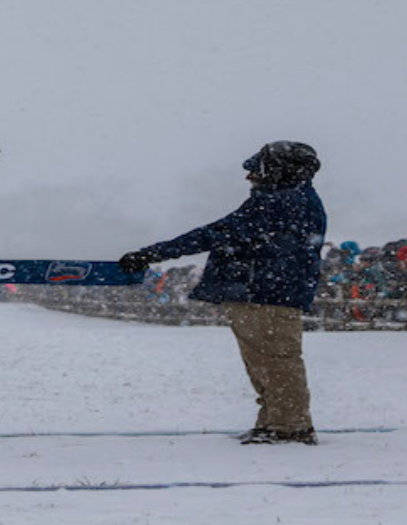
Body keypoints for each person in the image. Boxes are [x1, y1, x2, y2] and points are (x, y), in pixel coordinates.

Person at [119, 141, 326, 445]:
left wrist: (152, 253)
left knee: (276, 360)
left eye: (257, 170)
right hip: (261, 292)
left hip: (267, 293)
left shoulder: (280, 203)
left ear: (278, 171)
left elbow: (216, 233)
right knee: (263, 361)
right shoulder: (284, 200)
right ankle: (274, 420)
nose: (250, 177)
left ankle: (290, 425)